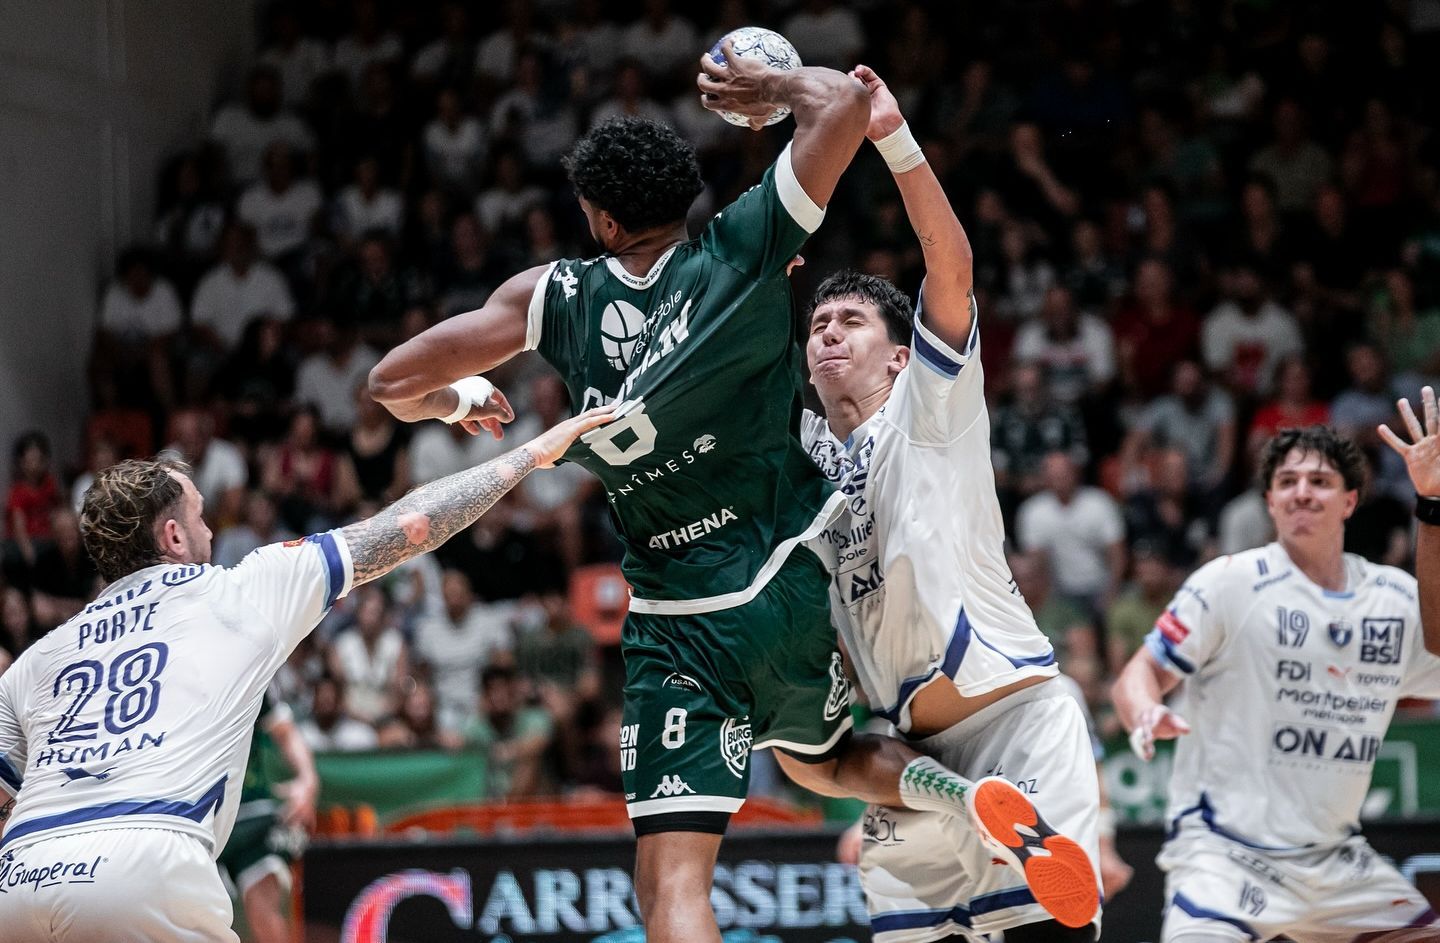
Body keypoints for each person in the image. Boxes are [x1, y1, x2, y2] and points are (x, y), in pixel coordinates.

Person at [368, 48, 1033, 943]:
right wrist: (775, 90)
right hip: (789, 582)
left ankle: (948, 794)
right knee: (821, 759)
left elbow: (389, 382)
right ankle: (952, 789)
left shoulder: (553, 295)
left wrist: (459, 402)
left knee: (673, 886)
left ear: (602, 221)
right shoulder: (742, 247)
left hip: (678, 618)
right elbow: (845, 103)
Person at [0, 405, 611, 942]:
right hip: (146, 858)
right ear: (174, 535)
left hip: (20, 873)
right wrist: (532, 455)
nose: (212, 531)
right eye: (202, 516)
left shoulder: (37, 658)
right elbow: (411, 525)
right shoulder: (237, 592)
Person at [792, 66, 1101, 939]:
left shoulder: (929, 406)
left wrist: (892, 137)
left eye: (851, 321)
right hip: (907, 764)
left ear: (900, 357)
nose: (828, 332)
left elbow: (950, 264)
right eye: (818, 325)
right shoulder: (805, 463)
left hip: (1014, 724)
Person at [1112, 392, 1440, 943]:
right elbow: (1137, 675)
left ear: (1350, 501)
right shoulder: (1230, 582)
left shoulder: (1394, 598)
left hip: (1336, 862)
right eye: (1287, 482)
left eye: (1319, 481)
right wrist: (1145, 712)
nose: (1302, 492)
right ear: (1270, 501)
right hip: (1225, 857)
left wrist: (1432, 503)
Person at [216, 690, 317, 943]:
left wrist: (307, 780)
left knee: (264, 909)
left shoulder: (250, 672)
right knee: (195, 917)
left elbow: (285, 731)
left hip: (250, 810)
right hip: (192, 816)